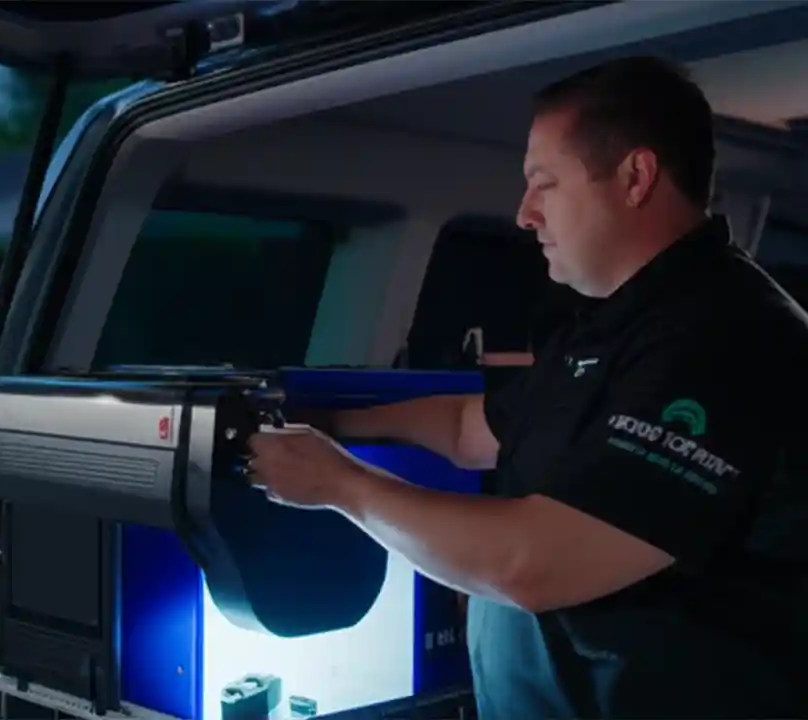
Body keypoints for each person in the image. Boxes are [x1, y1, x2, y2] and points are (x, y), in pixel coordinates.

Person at [247, 56, 808, 719]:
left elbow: (533, 563)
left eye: (544, 184)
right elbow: (469, 428)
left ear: (635, 176)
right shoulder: (611, 325)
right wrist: (328, 426)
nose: (524, 215)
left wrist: (340, 485)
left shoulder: (728, 336)